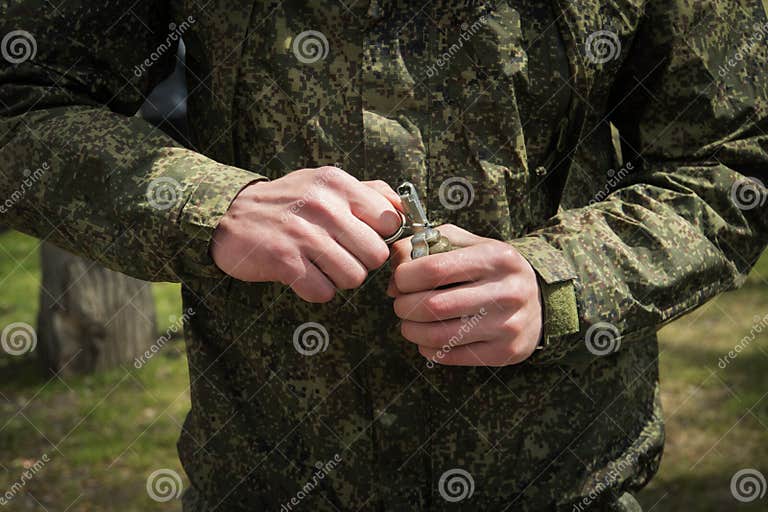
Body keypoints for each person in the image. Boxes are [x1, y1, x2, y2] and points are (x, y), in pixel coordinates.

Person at [1, 0, 766, 510]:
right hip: (265, 475)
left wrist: (562, 282)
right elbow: (23, 99)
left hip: (563, 481)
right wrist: (208, 204)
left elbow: (735, 160)